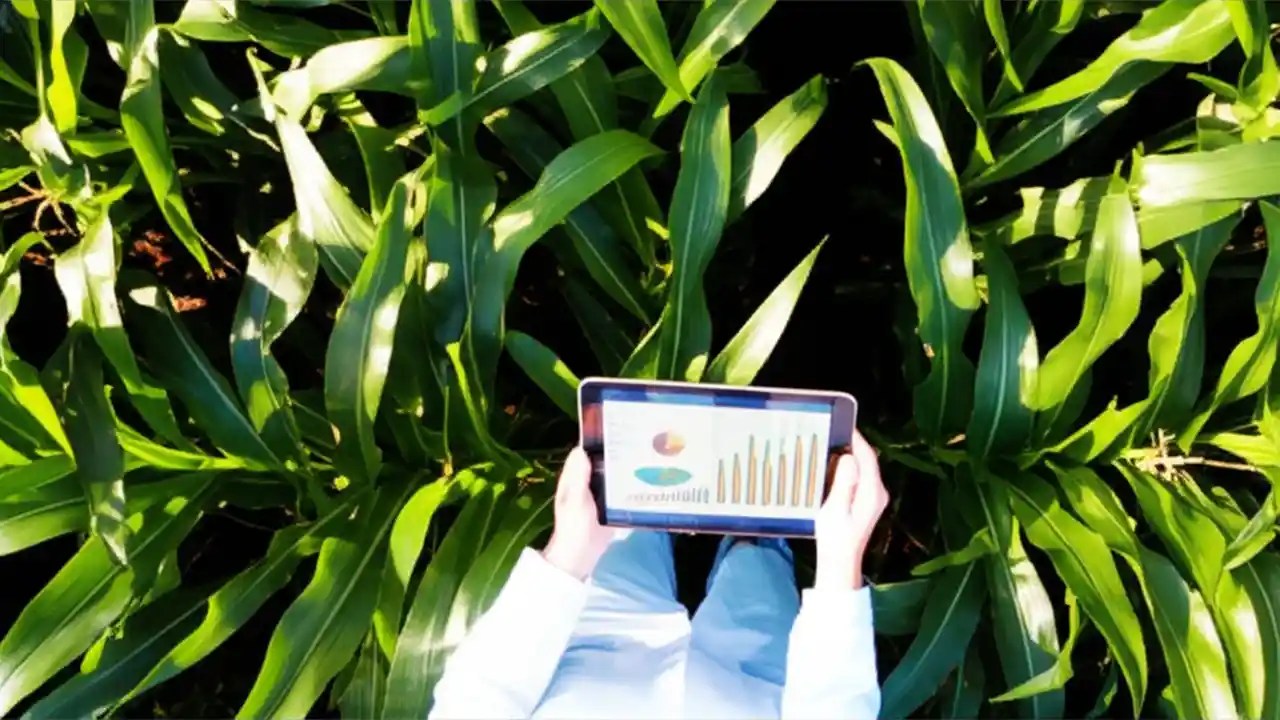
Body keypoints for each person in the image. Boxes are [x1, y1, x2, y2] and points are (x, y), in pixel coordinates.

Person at [428, 431, 889, 720]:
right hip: (757, 682)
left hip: (600, 641)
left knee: (629, 505)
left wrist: (567, 558)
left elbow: (477, 699)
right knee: (757, 567)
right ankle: (752, 523)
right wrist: (838, 571)